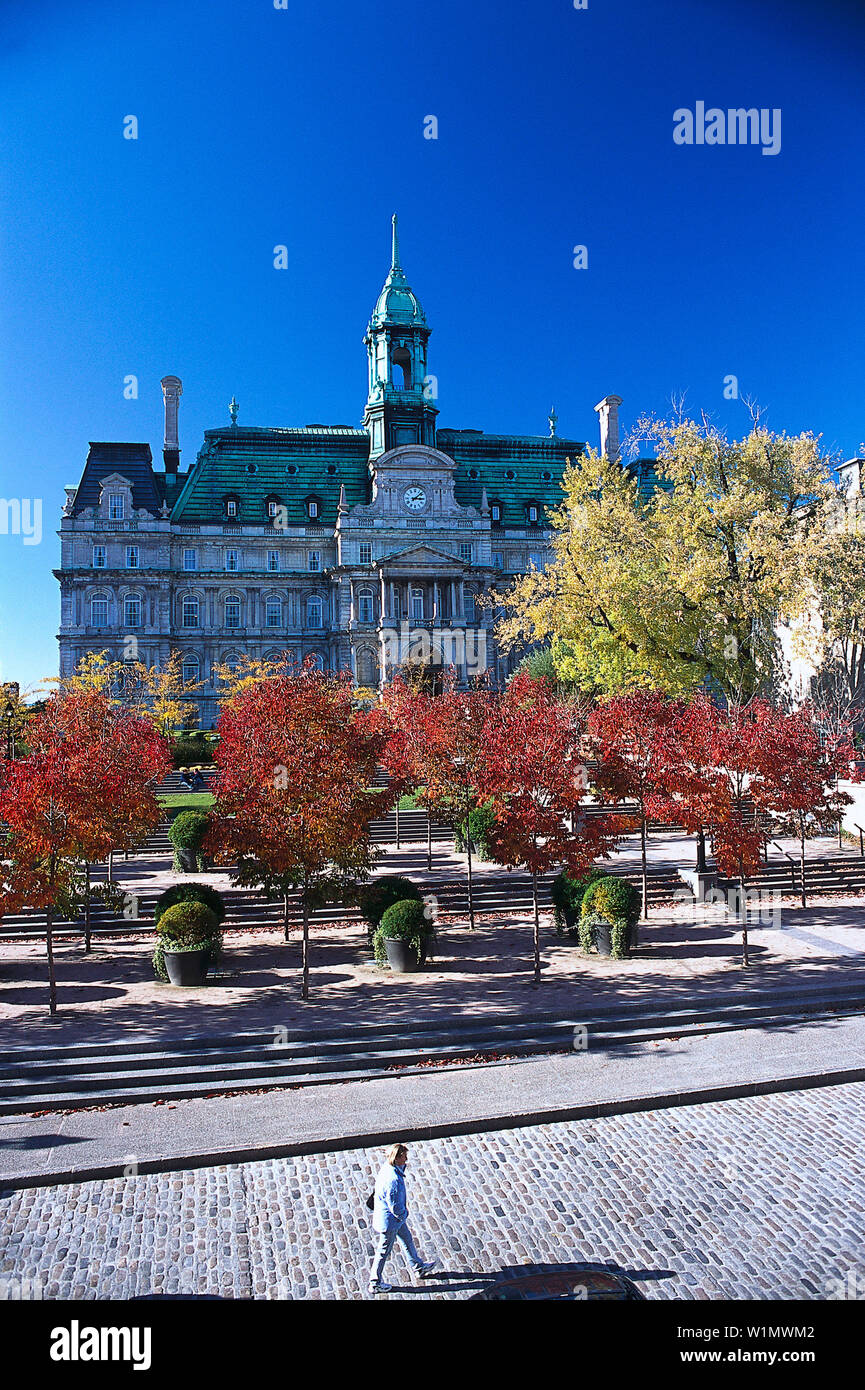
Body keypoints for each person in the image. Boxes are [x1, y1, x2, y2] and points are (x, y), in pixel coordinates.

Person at [368, 1143, 437, 1294]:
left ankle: (418, 1267)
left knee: (407, 1239)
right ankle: (375, 1282)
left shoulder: (387, 1168)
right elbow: (396, 1208)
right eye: (404, 1157)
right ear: (398, 1158)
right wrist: (405, 1215)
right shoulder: (394, 1180)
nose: (406, 1159)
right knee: (383, 1251)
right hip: (391, 1222)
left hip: (392, 1220)